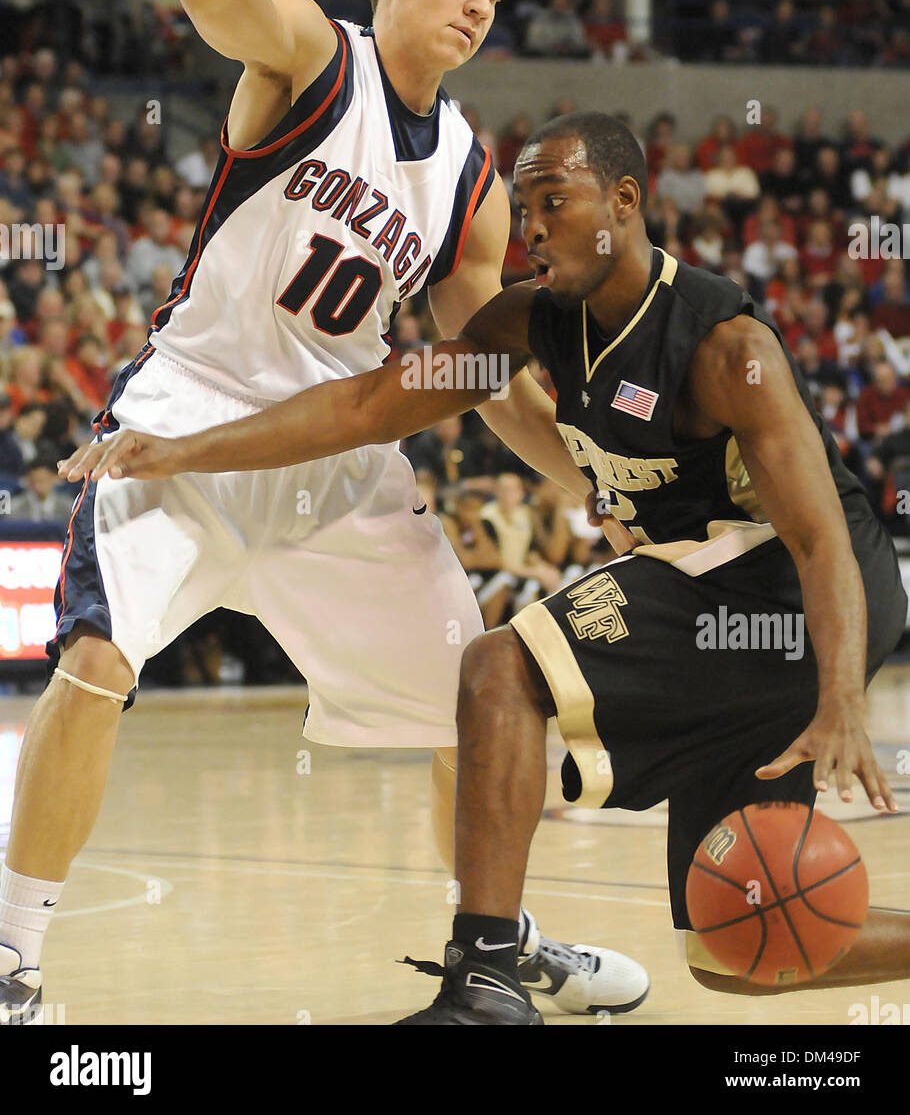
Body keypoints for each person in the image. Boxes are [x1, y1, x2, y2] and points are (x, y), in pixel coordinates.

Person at [0, 0, 647, 1026]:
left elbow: (472, 369)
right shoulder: (310, 53)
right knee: (93, 661)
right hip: (187, 420)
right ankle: (16, 958)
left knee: (483, 692)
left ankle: (496, 940)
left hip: (336, 455)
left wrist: (591, 477)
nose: (477, 5)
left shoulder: (468, 171)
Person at [72, 110, 910, 1026]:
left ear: (625, 203)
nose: (534, 226)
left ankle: (486, 979)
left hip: (789, 590)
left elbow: (826, 540)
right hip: (721, 592)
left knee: (501, 666)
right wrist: (185, 447)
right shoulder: (530, 322)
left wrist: (840, 704)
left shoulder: (725, 349)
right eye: (524, 207)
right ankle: (500, 972)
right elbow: (366, 406)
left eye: (556, 201)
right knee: (734, 941)